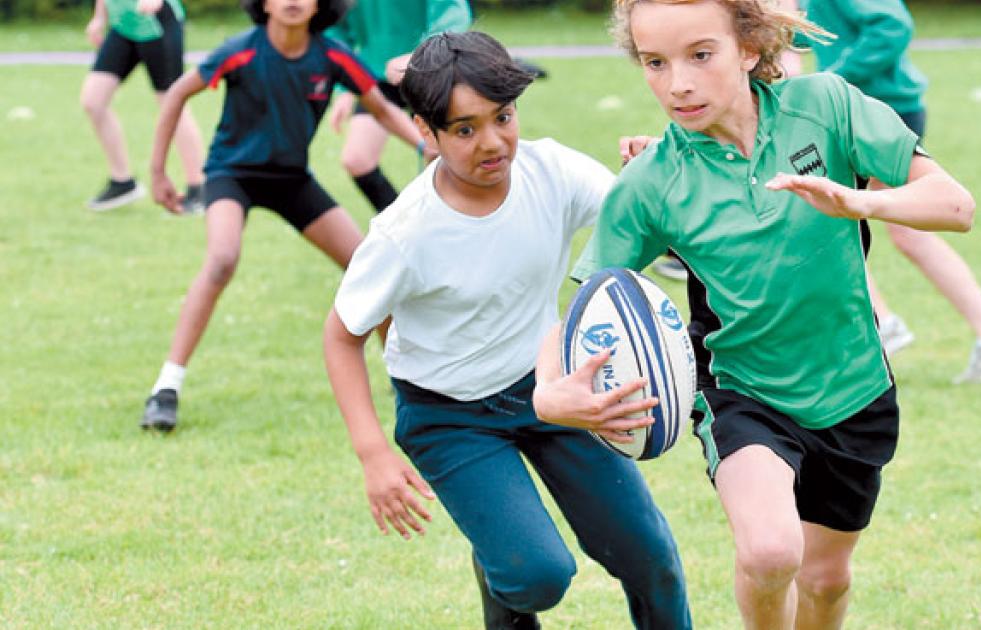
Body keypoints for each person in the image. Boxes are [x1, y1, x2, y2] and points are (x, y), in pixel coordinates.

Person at [533, 0, 975, 627]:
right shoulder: (651, 181)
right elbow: (582, 306)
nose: (677, 82)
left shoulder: (827, 105)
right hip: (743, 393)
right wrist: (549, 394)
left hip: (853, 388)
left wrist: (858, 202)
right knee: (770, 554)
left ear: (748, 47)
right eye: (655, 63)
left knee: (824, 581)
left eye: (700, 55)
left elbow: (955, 206)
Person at [323, 32, 691, 630]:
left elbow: (643, 226)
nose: (493, 142)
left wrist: (653, 174)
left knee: (652, 559)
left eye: (503, 117)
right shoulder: (403, 234)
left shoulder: (552, 171)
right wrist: (373, 455)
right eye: (465, 129)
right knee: (536, 575)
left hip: (551, 392)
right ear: (426, 131)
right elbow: (342, 335)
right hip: (450, 416)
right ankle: (501, 563)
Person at [139, 0, 420, 432]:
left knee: (369, 263)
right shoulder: (242, 50)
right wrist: (158, 171)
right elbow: (177, 92)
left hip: (291, 180)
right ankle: (166, 387)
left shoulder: (332, 56)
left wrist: (425, 145)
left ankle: (405, 379)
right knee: (221, 259)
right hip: (232, 174)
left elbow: (381, 108)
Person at [795, 0, 981, 384]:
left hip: (882, 110)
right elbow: (811, 30)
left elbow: (892, 26)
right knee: (877, 226)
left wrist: (835, 79)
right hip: (864, 108)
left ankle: (887, 324)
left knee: (833, 218)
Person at [325, 0, 470, 212]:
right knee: (357, 159)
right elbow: (335, 29)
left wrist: (424, 55)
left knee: (442, 159)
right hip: (376, 75)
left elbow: (453, 13)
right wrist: (345, 86)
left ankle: (450, 226)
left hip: (431, 68)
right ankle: (401, 223)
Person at [82, 0, 206, 212]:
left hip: (157, 24)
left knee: (172, 104)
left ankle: (200, 189)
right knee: (93, 101)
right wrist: (100, 17)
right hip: (123, 27)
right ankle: (123, 182)